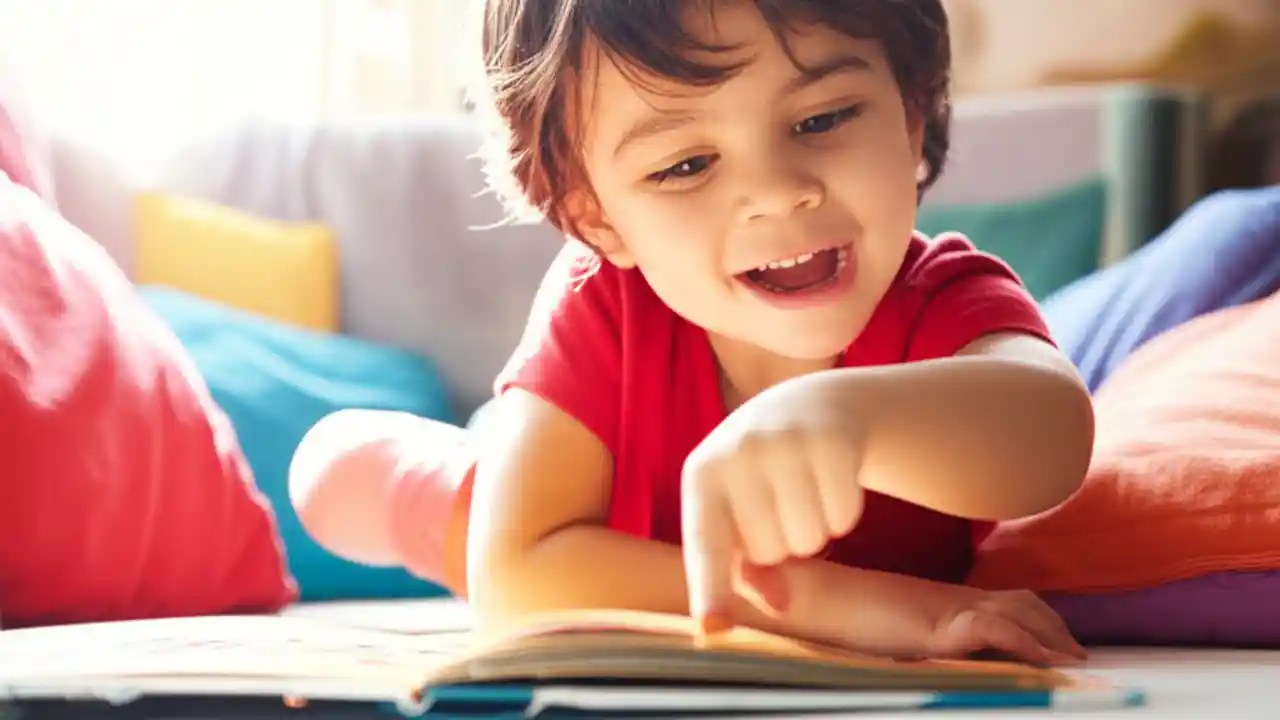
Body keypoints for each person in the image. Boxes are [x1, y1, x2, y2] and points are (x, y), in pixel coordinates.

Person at [290, 0, 1092, 666]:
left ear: (912, 117)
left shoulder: (940, 298)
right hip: (601, 538)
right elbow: (516, 577)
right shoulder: (604, 305)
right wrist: (880, 610)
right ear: (596, 220)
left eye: (823, 117)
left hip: (602, 518)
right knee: (334, 472)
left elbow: (1052, 436)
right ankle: (467, 463)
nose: (777, 194)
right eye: (684, 166)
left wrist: (850, 420)